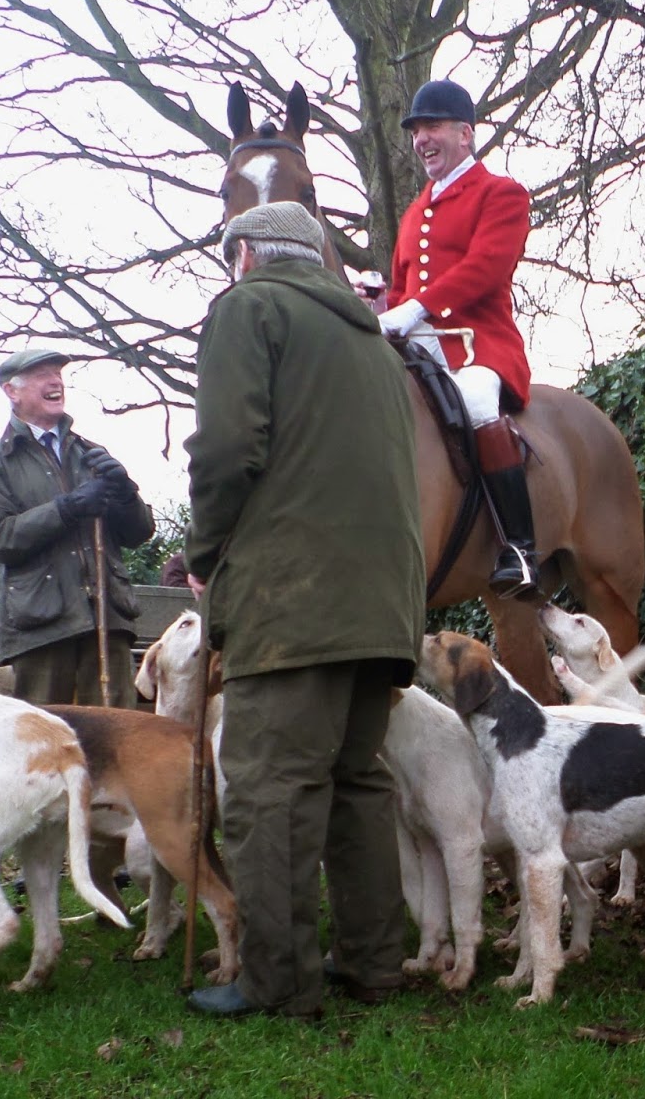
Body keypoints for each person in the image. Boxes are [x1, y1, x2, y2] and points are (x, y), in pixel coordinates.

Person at [184, 201, 424, 1018]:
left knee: (268, 789)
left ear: (243, 255)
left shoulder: (247, 308)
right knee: (358, 782)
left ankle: (277, 981)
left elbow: (224, 450)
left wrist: (206, 554)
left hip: (293, 599)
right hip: (384, 600)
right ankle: (373, 965)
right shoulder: (373, 338)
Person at [373, 78, 538, 598]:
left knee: (474, 399)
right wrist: (382, 304)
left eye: (433, 127)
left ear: (465, 134)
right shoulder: (415, 211)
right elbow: (401, 290)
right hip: (418, 346)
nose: (422, 139)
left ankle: (519, 547)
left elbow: (487, 268)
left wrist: (414, 309)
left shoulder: (502, 194)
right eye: (418, 130)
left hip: (476, 343)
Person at [0, 348, 154, 707]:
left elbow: (138, 533)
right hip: (42, 627)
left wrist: (126, 491)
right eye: (41, 375)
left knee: (118, 739)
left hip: (106, 619)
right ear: (12, 391)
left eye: (58, 375)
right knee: (48, 745)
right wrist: (66, 509)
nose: (55, 382)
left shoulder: (91, 453)